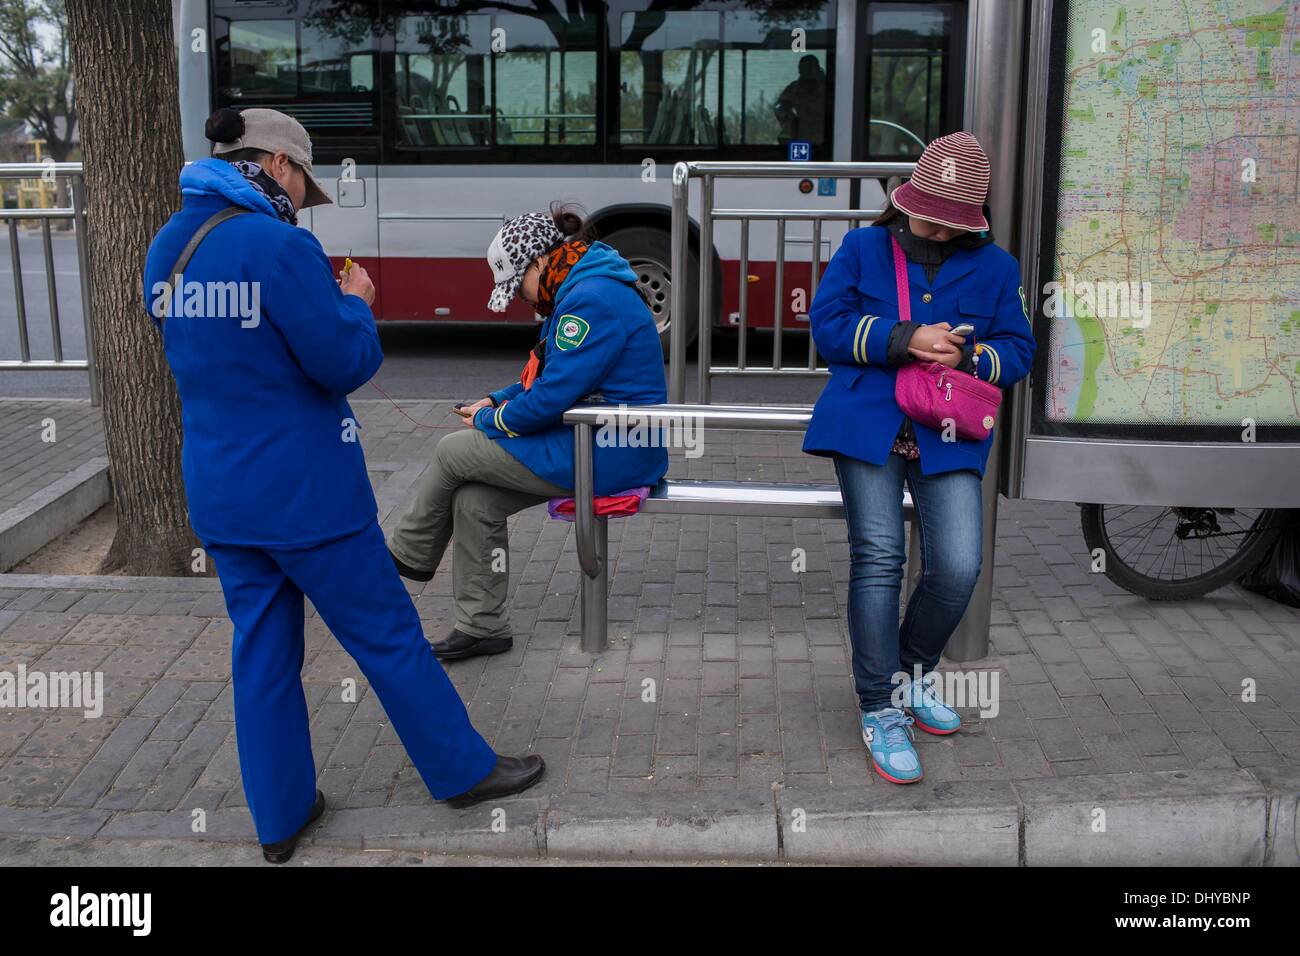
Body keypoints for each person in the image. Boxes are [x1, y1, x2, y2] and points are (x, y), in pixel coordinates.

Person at [142, 107, 544, 863]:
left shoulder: (168, 245)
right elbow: (342, 364)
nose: (305, 198)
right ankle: (462, 772)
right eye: (305, 179)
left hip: (222, 494)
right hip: (307, 495)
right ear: (279, 166)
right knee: (387, 636)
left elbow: (205, 350)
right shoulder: (280, 245)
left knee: (262, 656)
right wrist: (355, 304)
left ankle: (280, 818)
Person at [803, 131, 1036, 784]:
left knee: (959, 566)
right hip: (868, 425)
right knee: (880, 557)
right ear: (908, 200)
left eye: (950, 220)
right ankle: (879, 705)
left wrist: (971, 356)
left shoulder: (998, 268)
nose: (936, 229)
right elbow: (826, 327)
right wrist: (905, 338)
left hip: (949, 432)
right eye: (930, 215)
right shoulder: (863, 248)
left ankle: (908, 674)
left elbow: (1019, 348)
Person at [387, 205, 668, 660]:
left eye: (517, 286)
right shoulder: (581, 285)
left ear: (538, 263)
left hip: (611, 450)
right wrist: (495, 399)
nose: (520, 298)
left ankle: (402, 560)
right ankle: (483, 626)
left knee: (453, 452)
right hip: (596, 436)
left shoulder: (589, 300)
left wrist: (488, 420)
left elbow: (551, 397)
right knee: (474, 500)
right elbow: (551, 377)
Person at [775, 54, 827, 146]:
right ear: (800, 70)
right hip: (802, 136)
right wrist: (791, 122)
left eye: (810, 68)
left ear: (817, 69)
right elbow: (779, 107)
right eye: (805, 68)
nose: (808, 72)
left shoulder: (828, 87)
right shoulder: (794, 88)